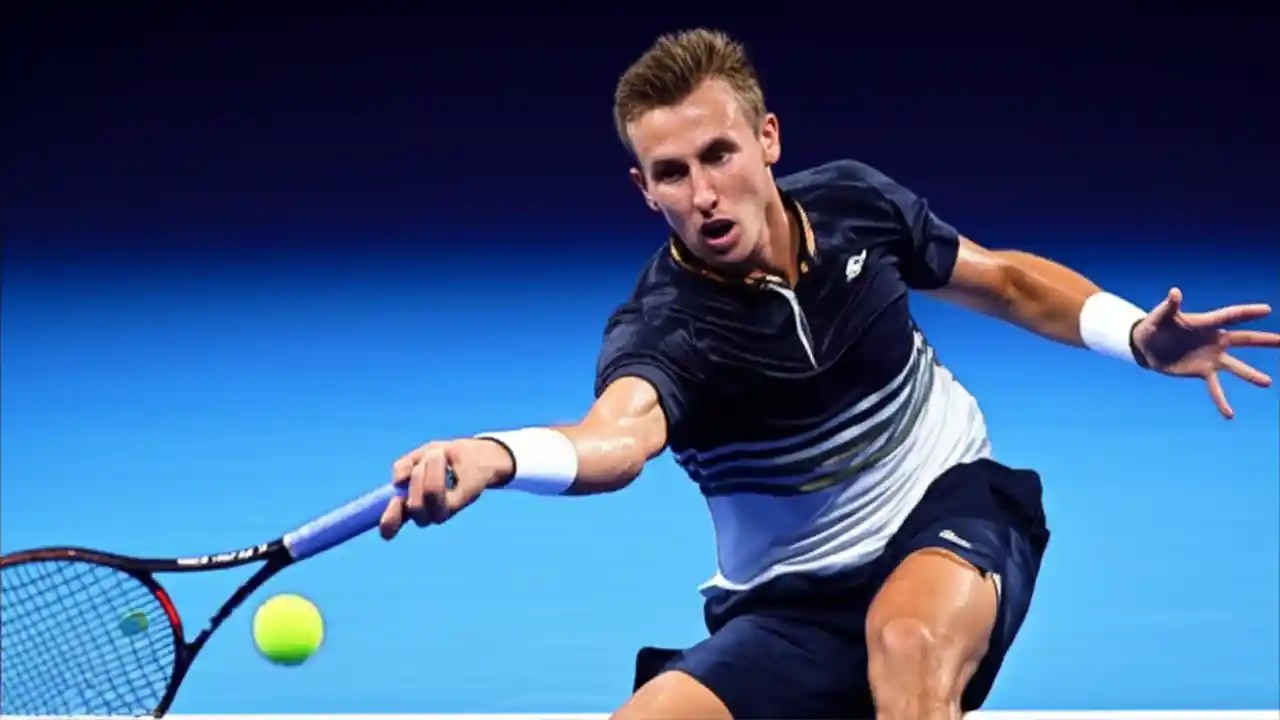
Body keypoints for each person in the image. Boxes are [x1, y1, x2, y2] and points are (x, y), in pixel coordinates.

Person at [377, 28, 1279, 720]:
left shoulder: (853, 204)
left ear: (767, 138)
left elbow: (1003, 281)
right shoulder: (667, 325)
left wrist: (1134, 336)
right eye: (671, 173)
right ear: (642, 189)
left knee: (909, 641)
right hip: (790, 603)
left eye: (720, 154)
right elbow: (613, 438)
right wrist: (494, 455)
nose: (702, 193)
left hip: (949, 506)